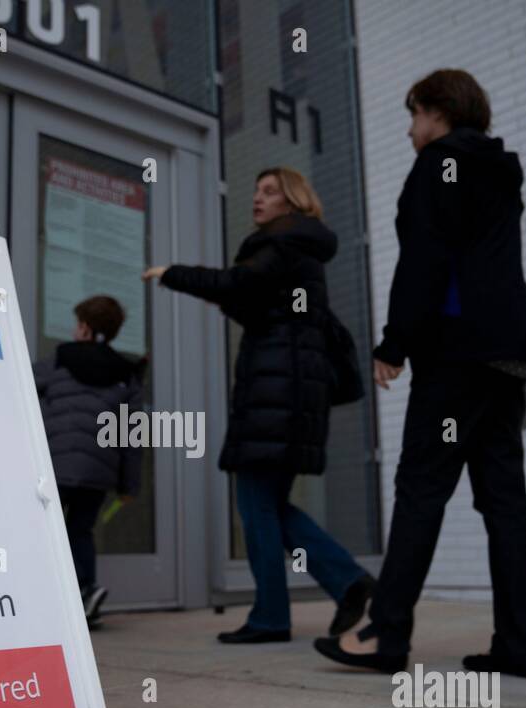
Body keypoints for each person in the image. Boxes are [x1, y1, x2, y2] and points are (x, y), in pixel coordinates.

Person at [314, 69, 526, 676]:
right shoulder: (501, 170)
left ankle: (385, 635)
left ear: (439, 110)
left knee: (421, 488)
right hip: (508, 354)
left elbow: (425, 261)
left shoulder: (439, 164)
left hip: (458, 355)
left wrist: (394, 343)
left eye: (414, 115)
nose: (411, 131)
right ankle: (520, 645)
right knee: (504, 502)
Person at [143, 167, 374, 643]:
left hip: (277, 393)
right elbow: (262, 304)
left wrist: (173, 275)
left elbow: (237, 285)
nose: (257, 198)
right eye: (256, 190)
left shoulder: (285, 244)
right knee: (267, 504)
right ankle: (347, 582)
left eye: (269, 192)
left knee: (256, 505)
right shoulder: (299, 251)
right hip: (291, 392)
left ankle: (276, 613)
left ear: (291, 202)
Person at [34, 295, 146, 624]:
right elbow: (132, 436)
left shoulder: (59, 359)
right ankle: (86, 595)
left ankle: (71, 592)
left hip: (57, 463)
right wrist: (129, 485)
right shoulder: (127, 374)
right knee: (80, 529)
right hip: (99, 471)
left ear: (84, 327)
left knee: (47, 529)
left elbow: (22, 385)